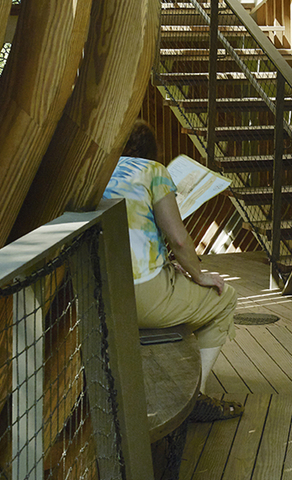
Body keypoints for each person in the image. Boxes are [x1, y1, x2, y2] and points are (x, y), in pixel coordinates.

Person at [104, 124, 243, 423]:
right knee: (223, 299)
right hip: (141, 294)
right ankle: (195, 400)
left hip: (99, 292)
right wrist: (199, 275)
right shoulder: (153, 172)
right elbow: (179, 239)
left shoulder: (98, 170)